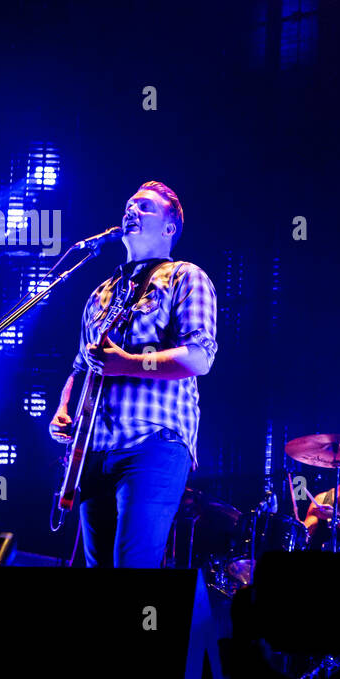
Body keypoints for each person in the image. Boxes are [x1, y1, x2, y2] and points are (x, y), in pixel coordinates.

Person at [48, 181, 218, 568]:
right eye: (129, 205)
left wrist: (127, 362)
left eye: (144, 207)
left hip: (153, 444)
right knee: (99, 572)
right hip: (94, 451)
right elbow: (81, 365)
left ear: (169, 227)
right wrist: (64, 408)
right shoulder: (101, 294)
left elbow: (199, 358)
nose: (132, 211)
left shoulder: (186, 277)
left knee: (132, 569)